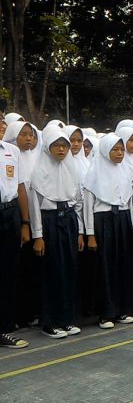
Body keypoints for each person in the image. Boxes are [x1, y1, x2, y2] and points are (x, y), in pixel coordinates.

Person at [30, 126, 85, 338]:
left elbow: (77, 201)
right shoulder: (39, 171)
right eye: (56, 146)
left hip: (68, 220)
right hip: (49, 222)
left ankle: (68, 319)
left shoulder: (71, 169)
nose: (61, 150)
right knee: (52, 272)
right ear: (48, 147)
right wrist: (38, 235)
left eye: (64, 146)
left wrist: (79, 230)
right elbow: (35, 207)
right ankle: (50, 322)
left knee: (69, 270)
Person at [83, 133, 133, 329]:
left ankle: (122, 309)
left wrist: (131, 227)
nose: (120, 153)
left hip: (121, 220)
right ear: (105, 150)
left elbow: (128, 201)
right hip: (102, 221)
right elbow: (88, 205)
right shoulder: (94, 172)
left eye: (121, 149)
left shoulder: (125, 170)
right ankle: (106, 313)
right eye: (115, 149)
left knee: (122, 265)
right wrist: (90, 234)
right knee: (105, 268)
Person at [0, 132, 31, 348]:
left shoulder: (12, 151)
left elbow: (19, 186)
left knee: (8, 272)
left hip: (9, 213)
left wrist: (25, 222)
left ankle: (5, 328)